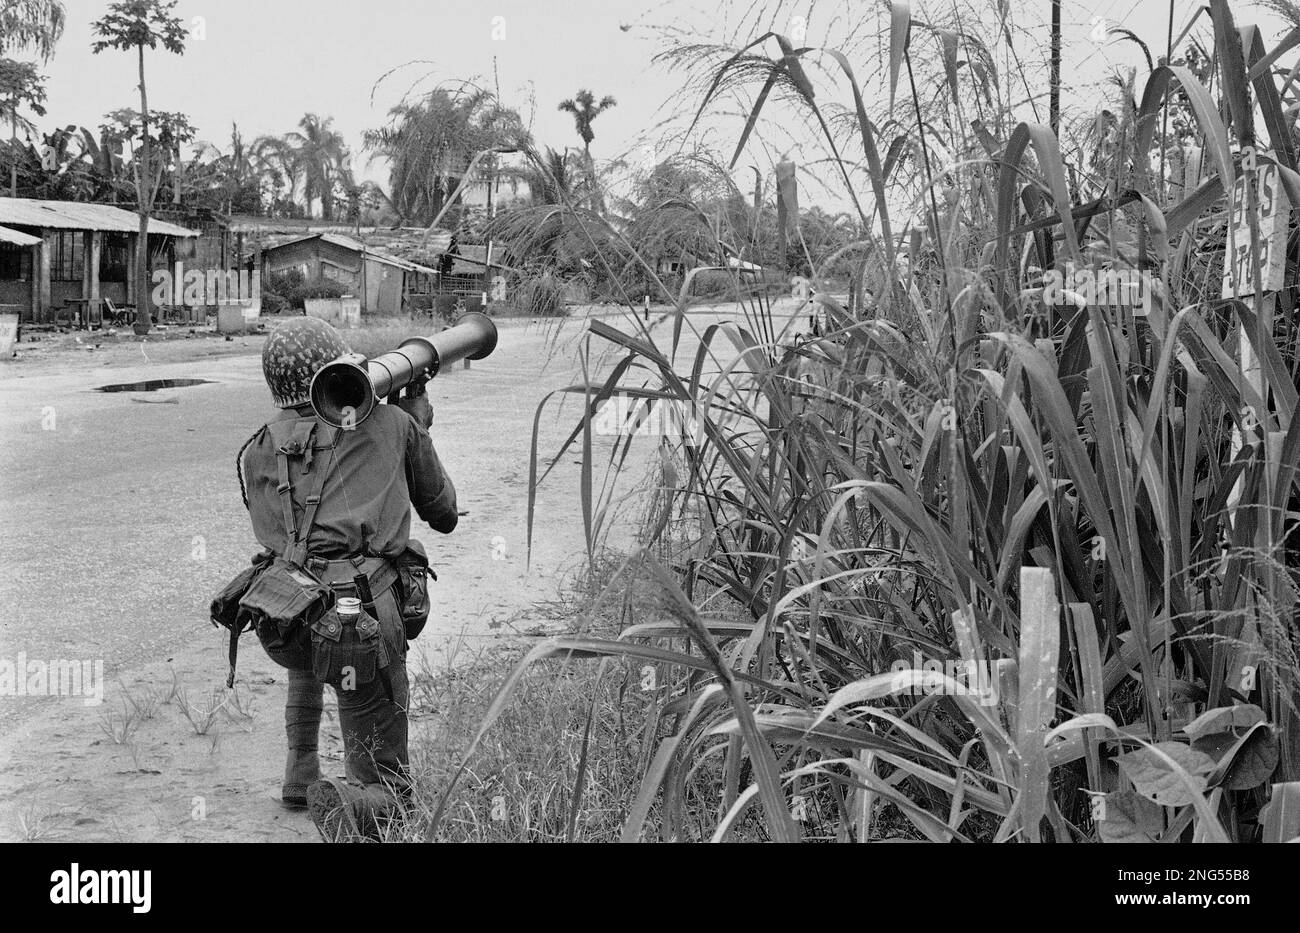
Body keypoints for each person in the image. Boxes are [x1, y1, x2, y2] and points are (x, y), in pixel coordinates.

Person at [238, 317, 458, 841]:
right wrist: (417, 426)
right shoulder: (391, 425)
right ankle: (365, 803)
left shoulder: (257, 445)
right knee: (388, 777)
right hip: (356, 626)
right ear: (338, 369)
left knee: (312, 622)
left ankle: (300, 773)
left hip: (285, 620)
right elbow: (444, 512)